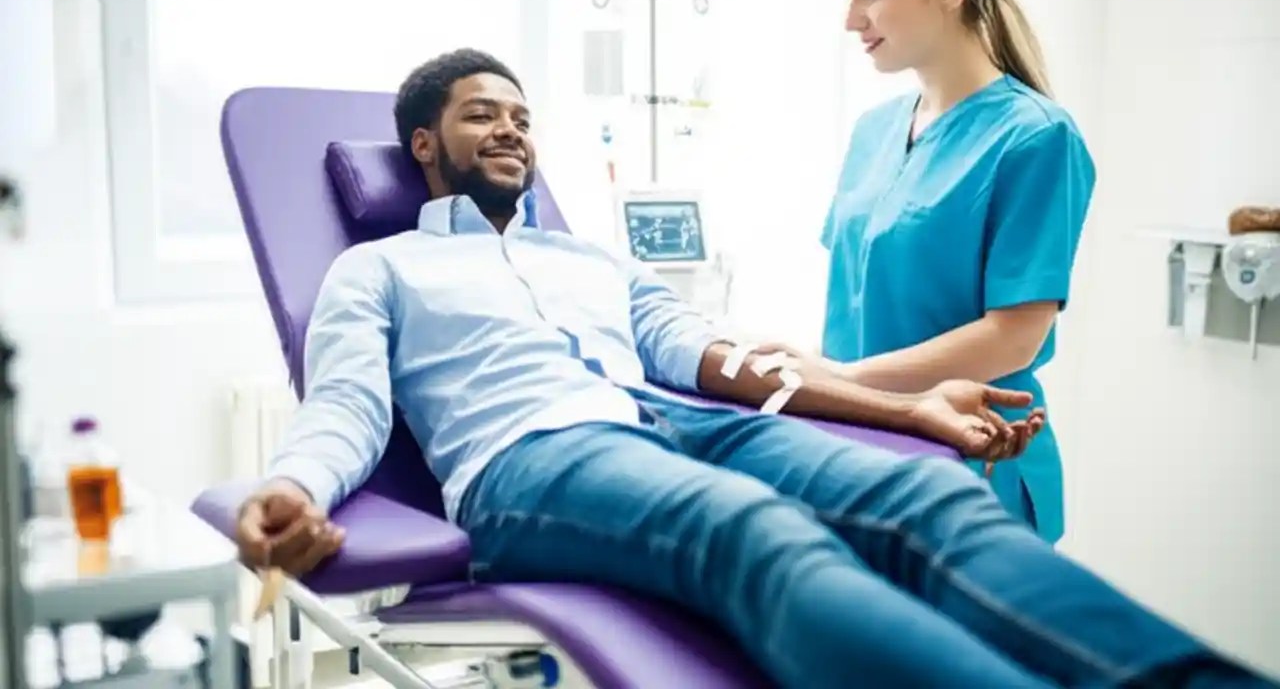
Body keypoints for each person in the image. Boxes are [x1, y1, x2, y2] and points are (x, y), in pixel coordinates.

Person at [233, 49, 1274, 688]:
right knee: (752, 531)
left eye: (520, 116)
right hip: (528, 460)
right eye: (479, 114)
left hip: (662, 418)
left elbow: (714, 358)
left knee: (928, 497)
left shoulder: (589, 257)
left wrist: (903, 407)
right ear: (421, 145)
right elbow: (347, 407)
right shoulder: (382, 268)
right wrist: (289, 487)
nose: (509, 130)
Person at [816, 0, 1094, 544]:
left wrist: (842, 383)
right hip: (861, 448)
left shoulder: (1037, 137)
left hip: (973, 462)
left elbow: (1014, 337)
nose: (851, 20)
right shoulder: (874, 131)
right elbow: (854, 300)